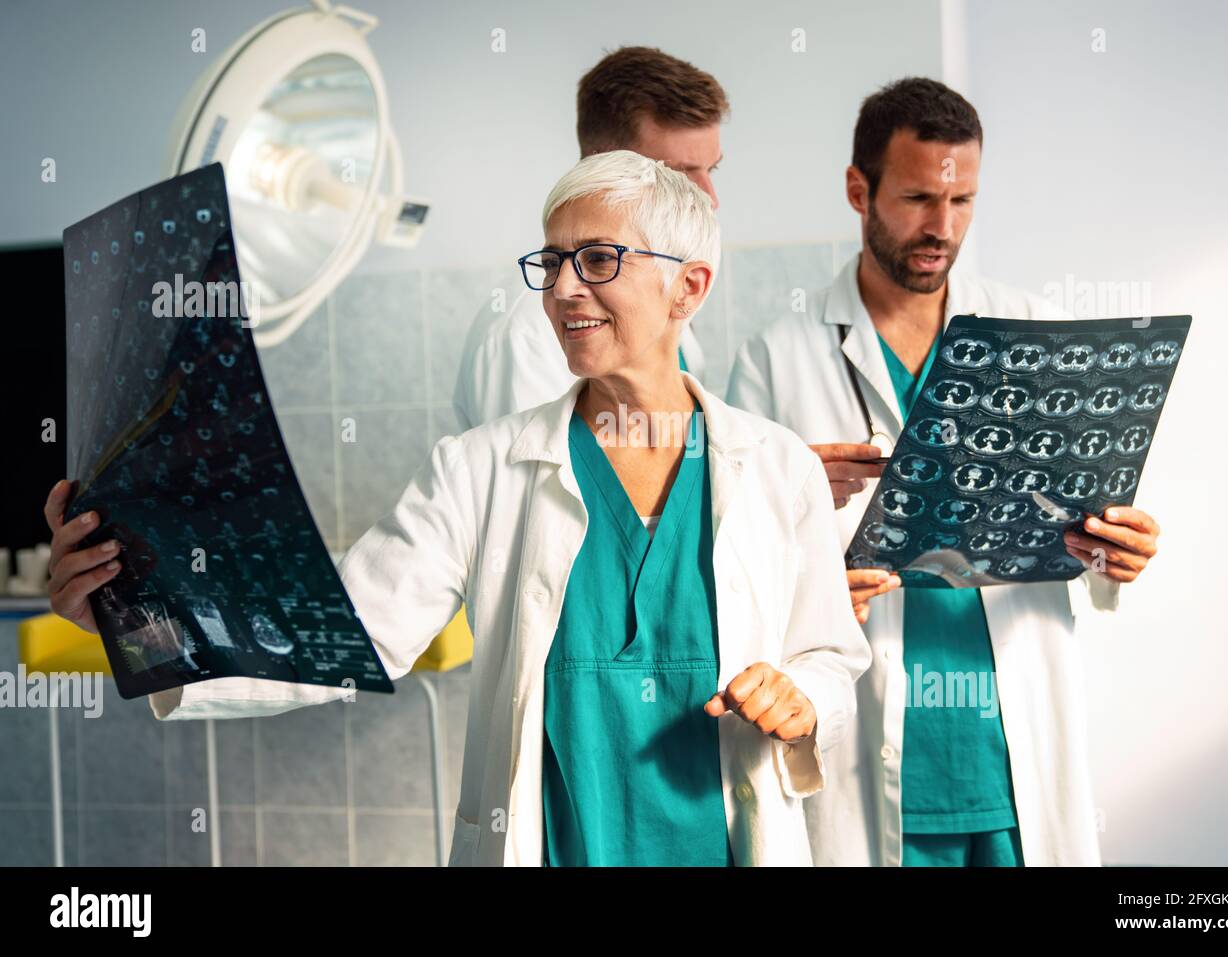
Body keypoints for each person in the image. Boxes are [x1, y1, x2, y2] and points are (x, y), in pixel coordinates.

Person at [46, 150, 869, 867]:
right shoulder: (480, 467)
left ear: (688, 286)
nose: (562, 289)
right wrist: (140, 619)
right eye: (550, 262)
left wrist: (803, 696)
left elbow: (831, 656)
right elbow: (348, 633)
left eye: (598, 259)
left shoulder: (777, 466)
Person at [727, 77, 1162, 867]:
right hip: (869, 742)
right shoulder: (774, 359)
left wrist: (1114, 554)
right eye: (919, 198)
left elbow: (1083, 524)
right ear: (859, 190)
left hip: (1009, 743)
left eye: (962, 202)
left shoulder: (1034, 331)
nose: (942, 227)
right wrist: (803, 554)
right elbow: (735, 572)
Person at [452, 46, 726, 429]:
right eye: (678, 173)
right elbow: (539, 479)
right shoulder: (528, 334)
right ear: (605, 164)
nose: (710, 197)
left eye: (711, 169)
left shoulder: (663, 293)